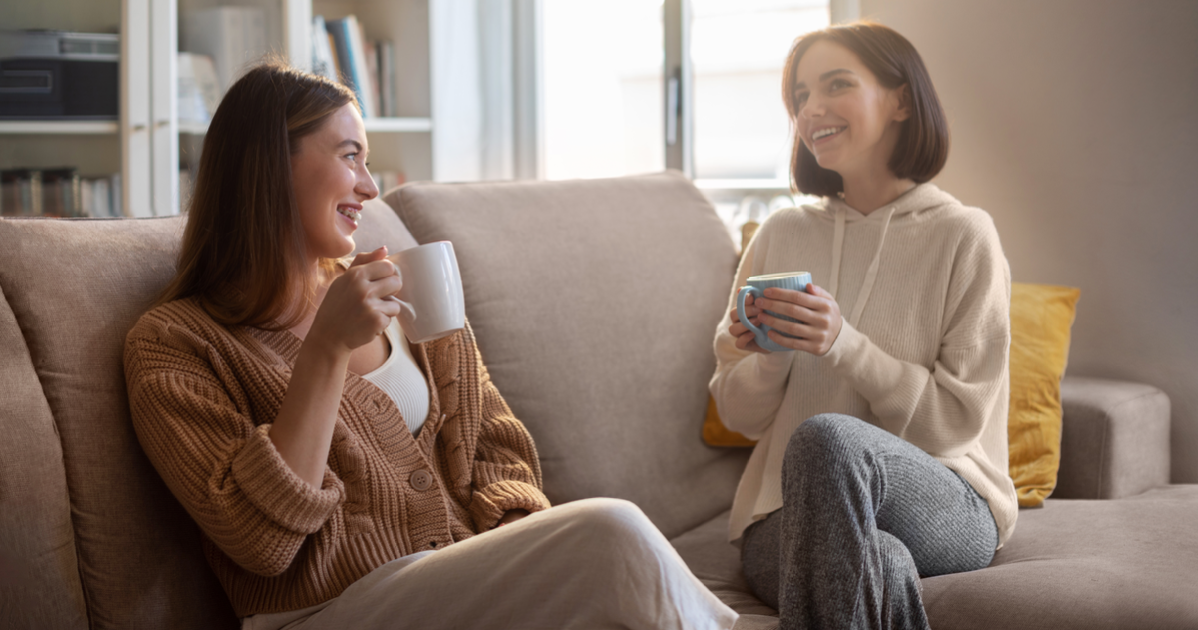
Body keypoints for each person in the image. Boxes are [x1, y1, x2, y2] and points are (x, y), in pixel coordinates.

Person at [124, 62, 737, 630]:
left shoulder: (405, 293)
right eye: (349, 156)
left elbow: (495, 445)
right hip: (324, 612)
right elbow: (259, 541)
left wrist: (518, 542)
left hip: (465, 590)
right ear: (269, 166)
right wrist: (326, 350)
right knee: (610, 529)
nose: (368, 185)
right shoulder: (174, 345)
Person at [710, 22, 1018, 630]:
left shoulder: (963, 236)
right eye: (800, 96)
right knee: (878, 559)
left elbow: (953, 426)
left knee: (829, 437)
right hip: (786, 515)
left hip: (944, 498)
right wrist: (772, 354)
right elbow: (739, 417)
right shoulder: (781, 234)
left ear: (901, 100)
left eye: (836, 84)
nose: (811, 109)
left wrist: (843, 345)